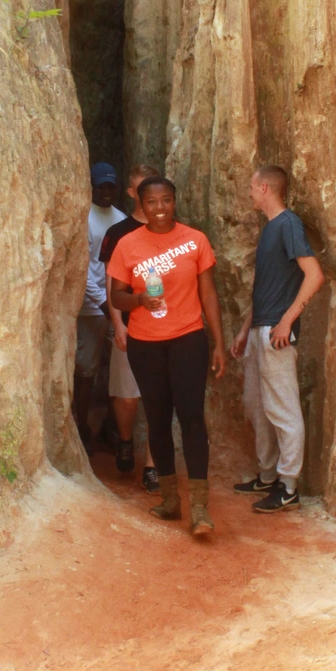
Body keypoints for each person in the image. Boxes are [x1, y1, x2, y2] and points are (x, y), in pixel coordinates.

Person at [107, 176, 226, 535]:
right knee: (157, 419)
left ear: (175, 202)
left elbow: (208, 295)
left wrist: (218, 341)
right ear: (141, 206)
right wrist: (140, 300)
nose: (160, 208)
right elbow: (117, 297)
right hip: (146, 343)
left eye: (167, 200)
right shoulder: (127, 245)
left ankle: (200, 510)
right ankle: (171, 500)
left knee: (191, 419)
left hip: (188, 339)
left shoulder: (195, 241)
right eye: (152, 202)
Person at [230, 165, 324, 513]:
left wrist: (286, 321)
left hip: (276, 333)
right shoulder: (270, 229)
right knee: (257, 405)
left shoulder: (287, 225)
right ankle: (268, 475)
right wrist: (245, 330)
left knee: (283, 409)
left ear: (265, 187)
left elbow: (314, 275)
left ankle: (288, 487)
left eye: (252, 187)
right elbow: (265, 288)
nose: (249, 192)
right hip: (261, 331)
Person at [99, 164, 161, 492]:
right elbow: (111, 285)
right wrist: (118, 325)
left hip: (162, 328)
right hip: (129, 323)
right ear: (131, 192)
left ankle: (151, 466)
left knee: (156, 398)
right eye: (141, 189)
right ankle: (125, 439)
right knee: (127, 398)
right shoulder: (118, 233)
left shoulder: (170, 231)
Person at [74, 162, 125, 453]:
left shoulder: (120, 219)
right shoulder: (83, 218)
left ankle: (112, 425)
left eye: (110, 186)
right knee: (86, 369)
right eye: (100, 186)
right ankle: (82, 427)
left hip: (114, 306)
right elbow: (79, 269)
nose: (106, 191)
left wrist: (116, 306)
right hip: (90, 307)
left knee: (118, 369)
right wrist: (104, 303)